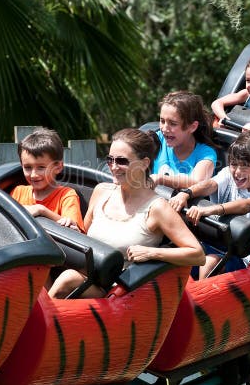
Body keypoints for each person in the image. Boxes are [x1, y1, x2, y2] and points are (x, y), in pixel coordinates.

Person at [48, 128, 204, 298]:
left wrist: (151, 253)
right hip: (90, 279)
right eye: (110, 160)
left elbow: (197, 254)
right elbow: (85, 237)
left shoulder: (157, 207)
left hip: (122, 292)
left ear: (144, 163)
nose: (114, 167)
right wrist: (73, 230)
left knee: (68, 279)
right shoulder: (101, 191)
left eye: (122, 161)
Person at [169, 133, 250, 279]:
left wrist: (212, 209)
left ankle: (199, 294)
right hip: (213, 243)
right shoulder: (228, 174)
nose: (237, 172)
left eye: (245, 166)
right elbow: (210, 185)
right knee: (175, 248)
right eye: (234, 164)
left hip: (245, 260)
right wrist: (186, 193)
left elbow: (246, 205)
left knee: (209, 263)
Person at [9, 127, 84, 231]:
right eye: (28, 167)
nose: (34, 175)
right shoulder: (18, 193)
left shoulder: (66, 195)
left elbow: (74, 231)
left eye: (41, 167)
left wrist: (42, 211)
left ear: (58, 167)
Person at [151, 91, 218, 189]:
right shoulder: (157, 139)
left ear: (192, 127)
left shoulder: (205, 154)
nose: (164, 129)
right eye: (162, 121)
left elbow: (197, 182)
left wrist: (161, 179)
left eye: (173, 124)